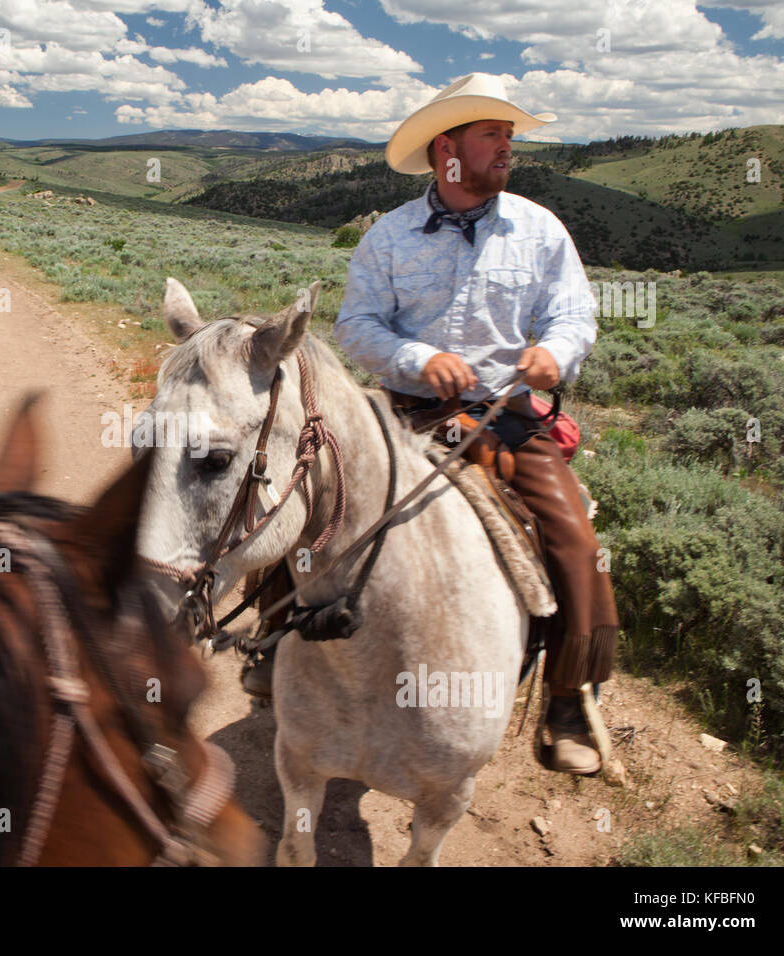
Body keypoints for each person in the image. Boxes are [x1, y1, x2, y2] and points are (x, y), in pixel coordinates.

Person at [247, 73, 618, 776]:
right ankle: (273, 635)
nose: (507, 147)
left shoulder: (540, 229)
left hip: (503, 416)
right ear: (447, 149)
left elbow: (574, 315)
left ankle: (569, 695)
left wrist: (555, 353)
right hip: (401, 412)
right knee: (304, 499)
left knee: (574, 535)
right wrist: (418, 356)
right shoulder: (388, 238)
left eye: (509, 134)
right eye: (492, 134)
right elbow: (355, 325)